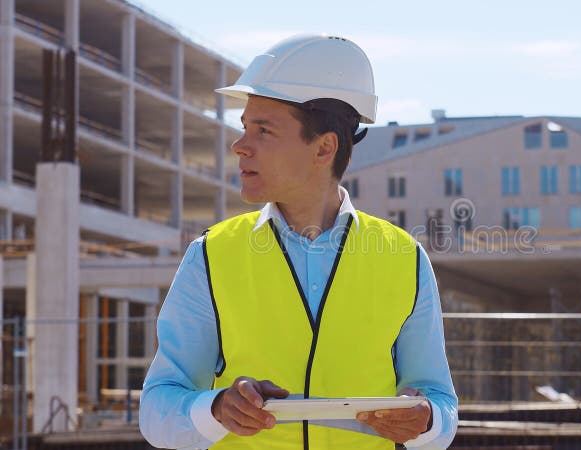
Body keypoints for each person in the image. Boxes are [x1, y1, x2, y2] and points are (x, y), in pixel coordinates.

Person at [139, 34, 458, 449]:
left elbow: (440, 405)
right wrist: (216, 409)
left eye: (263, 130)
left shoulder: (404, 257)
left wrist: (426, 420)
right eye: (244, 128)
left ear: (324, 148)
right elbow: (157, 411)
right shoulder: (211, 255)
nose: (239, 146)